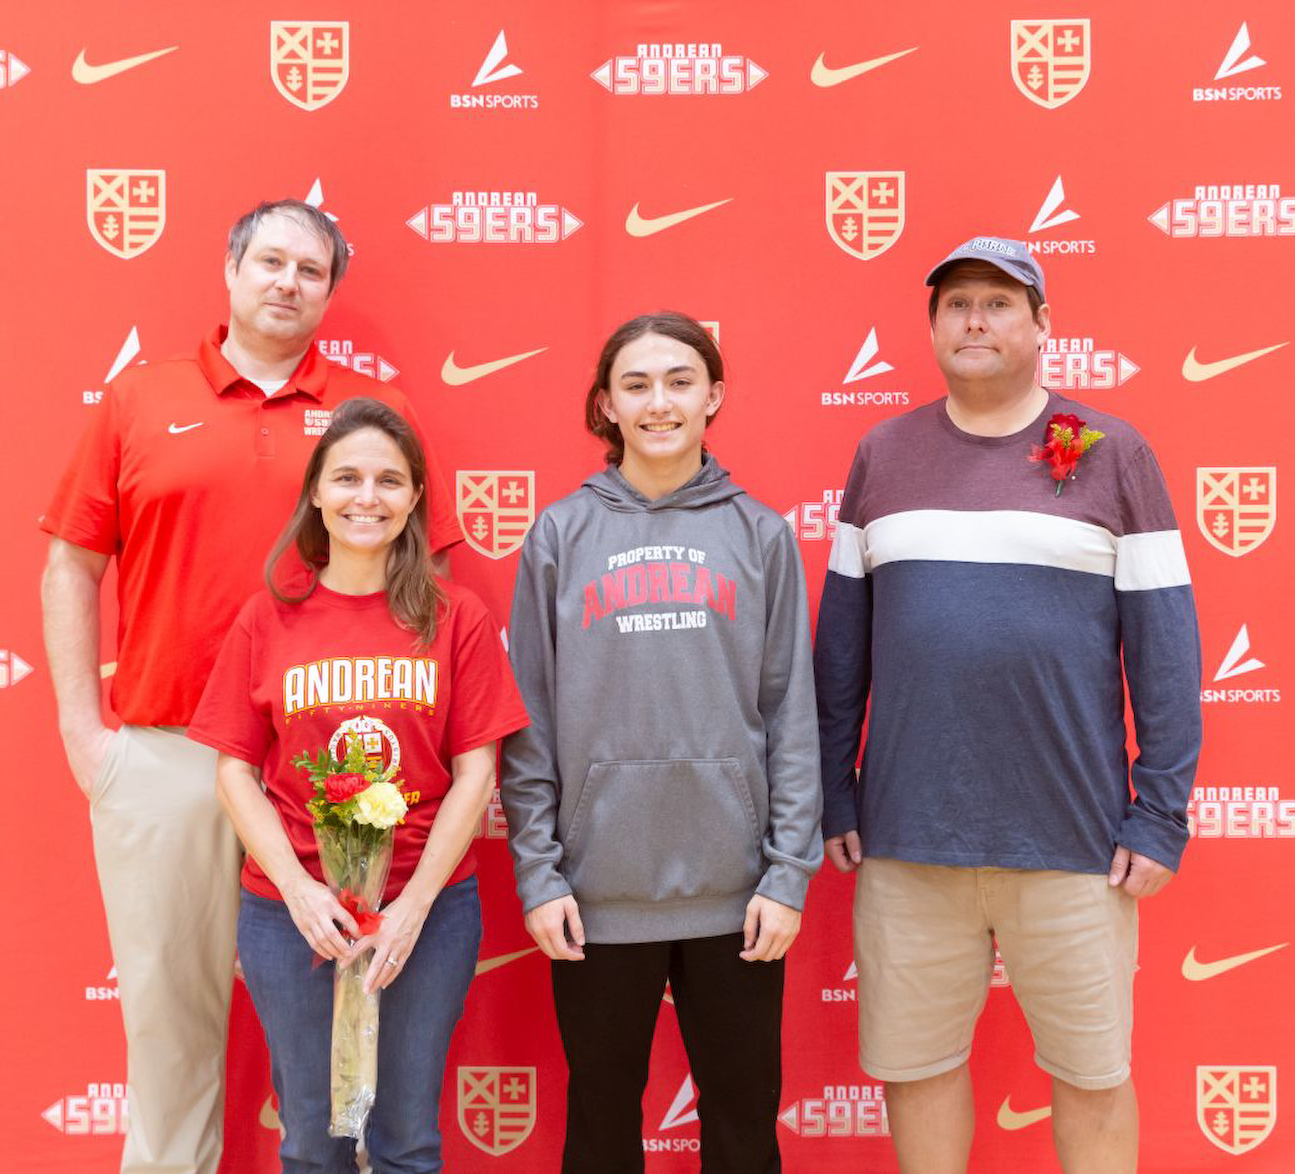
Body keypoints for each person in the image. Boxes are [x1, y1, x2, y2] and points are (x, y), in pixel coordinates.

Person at [39, 200, 461, 1174]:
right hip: (170, 750)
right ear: (230, 268)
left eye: (310, 271)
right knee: (169, 1018)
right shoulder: (139, 400)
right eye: (269, 261)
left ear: (330, 293)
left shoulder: (368, 414)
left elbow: (424, 585)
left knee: (349, 1020)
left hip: (334, 775)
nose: (286, 282)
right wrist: (84, 733)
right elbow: (68, 564)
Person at [813, 236, 1201, 1174]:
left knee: (1094, 1075)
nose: (974, 320)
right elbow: (841, 653)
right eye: (955, 305)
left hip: (1073, 845)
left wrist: (1160, 817)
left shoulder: (1114, 455)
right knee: (917, 1071)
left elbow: (1166, 652)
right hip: (908, 840)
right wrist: (835, 793)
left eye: (996, 302)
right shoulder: (882, 454)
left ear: (1040, 325)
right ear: (934, 326)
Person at [500, 311, 823, 1174]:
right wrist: (538, 871)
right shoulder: (560, 536)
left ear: (714, 395)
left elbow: (792, 715)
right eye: (635, 385)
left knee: (745, 1126)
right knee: (601, 1127)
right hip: (596, 898)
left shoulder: (761, 536)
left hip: (740, 899)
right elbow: (526, 726)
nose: (659, 403)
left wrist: (788, 873)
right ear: (605, 404)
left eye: (679, 381)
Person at [186, 397, 528, 1172]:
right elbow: (235, 771)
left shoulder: (456, 618)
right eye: (346, 478)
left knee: (408, 1141)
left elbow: (478, 771)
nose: (365, 497)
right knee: (315, 1142)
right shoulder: (267, 619)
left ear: (414, 499)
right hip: (291, 918)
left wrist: (411, 910)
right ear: (315, 492)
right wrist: (301, 894)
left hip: (427, 913)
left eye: (388, 480)